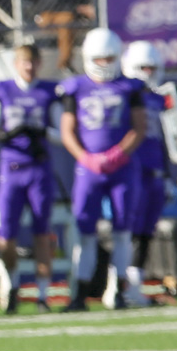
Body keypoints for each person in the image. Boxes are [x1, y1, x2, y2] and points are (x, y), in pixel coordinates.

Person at [58, 28, 146, 312]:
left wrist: (119, 152)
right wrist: (85, 157)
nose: (106, 64)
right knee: (85, 232)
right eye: (101, 58)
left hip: (122, 167)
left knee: (122, 231)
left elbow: (139, 126)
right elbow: (67, 130)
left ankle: (118, 291)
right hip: (89, 169)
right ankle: (80, 293)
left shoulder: (131, 87)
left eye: (110, 58)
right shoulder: (76, 87)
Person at [0, 44, 60, 314]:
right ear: (16, 64)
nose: (28, 68)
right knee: (5, 236)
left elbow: (60, 133)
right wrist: (9, 133)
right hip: (12, 169)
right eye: (24, 62)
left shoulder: (48, 91)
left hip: (38, 168)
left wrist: (42, 133)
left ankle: (42, 295)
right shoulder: (2, 90)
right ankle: (12, 286)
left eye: (33, 63)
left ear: (39, 64)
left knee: (42, 232)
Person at [119, 41, 165, 308]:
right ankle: (120, 287)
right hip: (132, 170)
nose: (148, 72)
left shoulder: (161, 98)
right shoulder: (126, 96)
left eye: (152, 67)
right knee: (128, 231)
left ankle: (134, 288)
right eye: (143, 67)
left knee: (147, 232)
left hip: (155, 171)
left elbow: (168, 140)